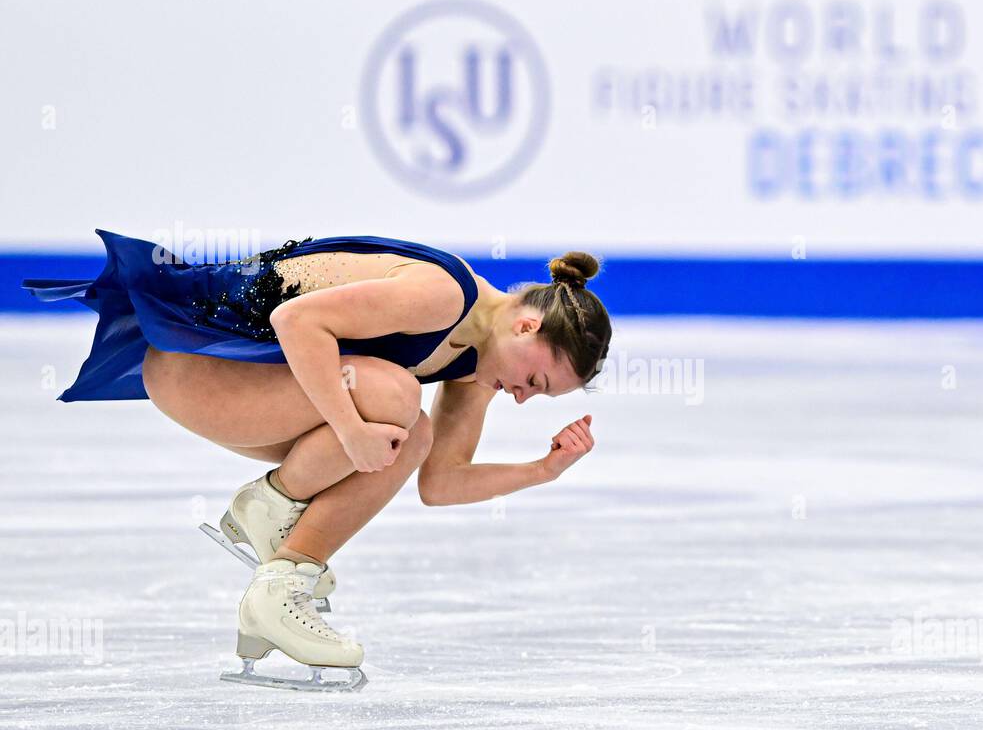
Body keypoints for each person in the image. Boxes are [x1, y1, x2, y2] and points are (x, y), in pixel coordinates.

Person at [23, 230, 613, 690]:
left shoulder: (478, 363)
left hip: (247, 389)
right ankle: (270, 509)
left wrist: (542, 470)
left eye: (539, 395)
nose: (521, 396)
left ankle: (281, 583)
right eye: (534, 379)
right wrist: (352, 430)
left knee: (414, 436)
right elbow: (295, 319)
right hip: (192, 366)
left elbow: (440, 483)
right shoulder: (444, 294)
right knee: (398, 401)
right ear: (526, 324)